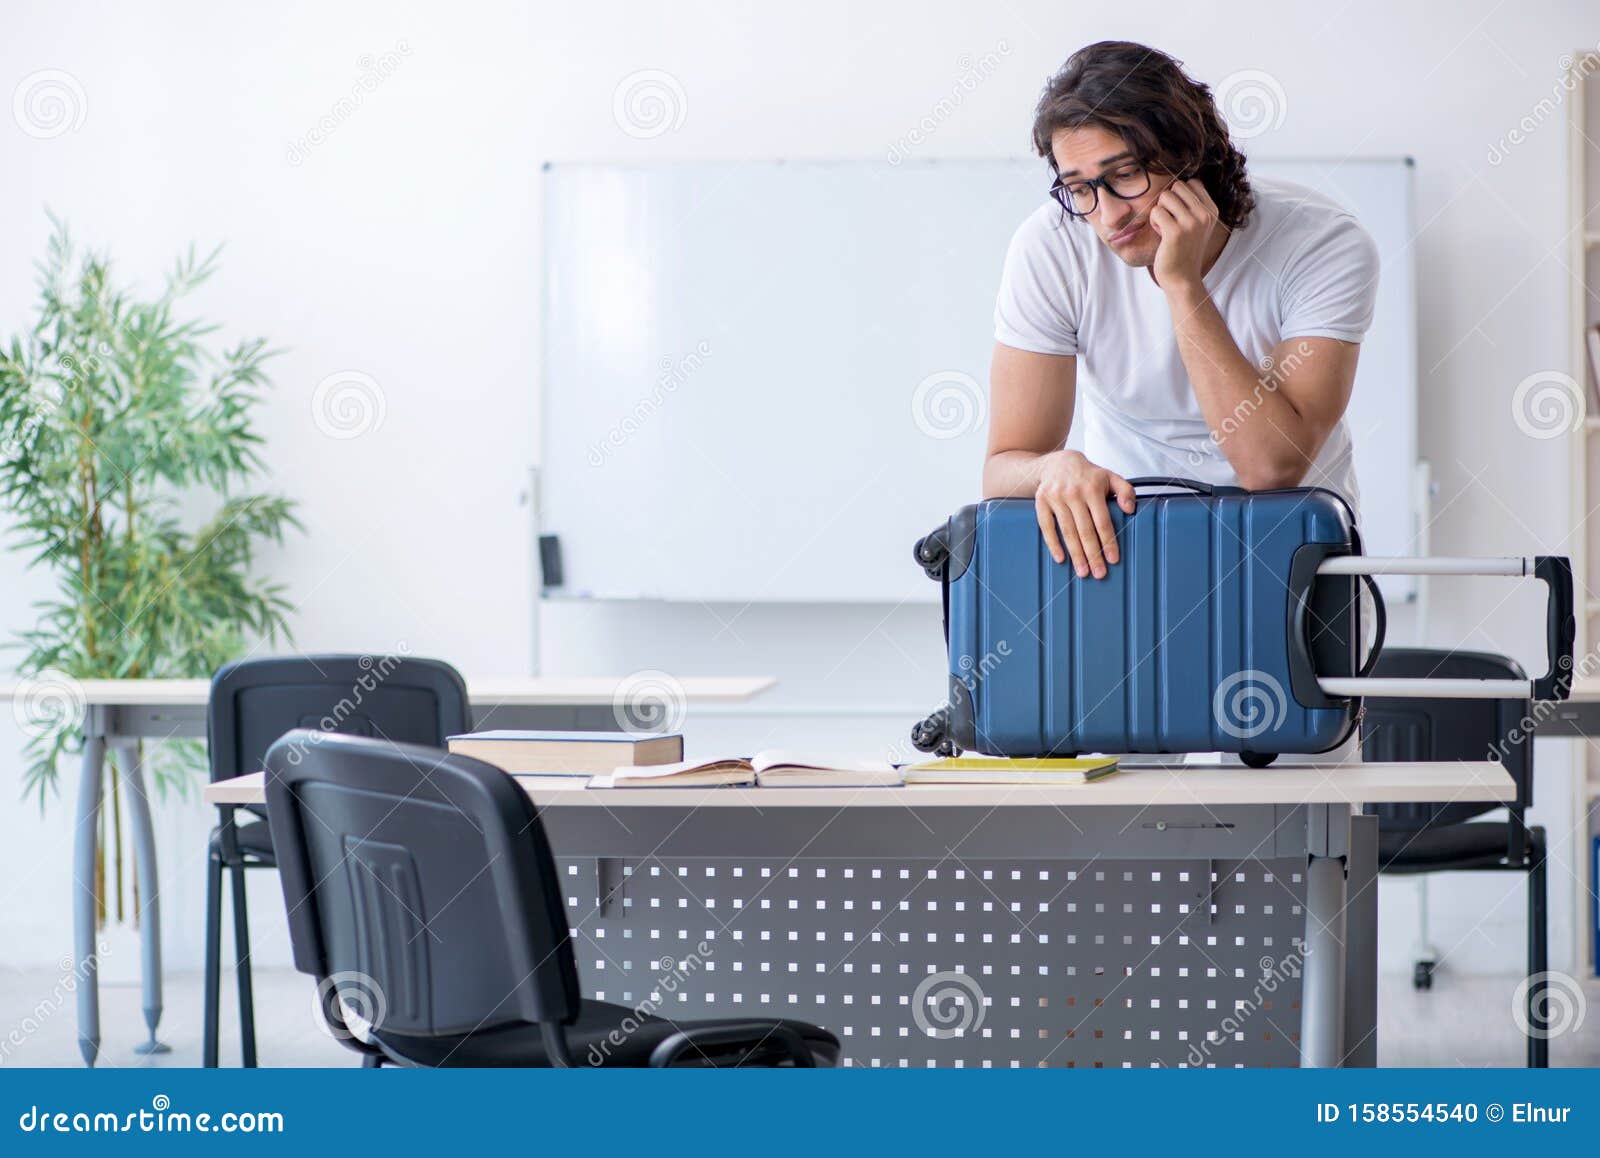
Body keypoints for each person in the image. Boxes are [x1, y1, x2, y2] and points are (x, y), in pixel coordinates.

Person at [985, 41, 1379, 582]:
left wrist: (1181, 284)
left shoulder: (1322, 243)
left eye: (1124, 175)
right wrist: (1054, 467)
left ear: (1191, 154)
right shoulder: (1051, 246)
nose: (1108, 215)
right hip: (1129, 551)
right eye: (1079, 189)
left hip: (1290, 553)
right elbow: (1003, 468)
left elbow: (1270, 468)